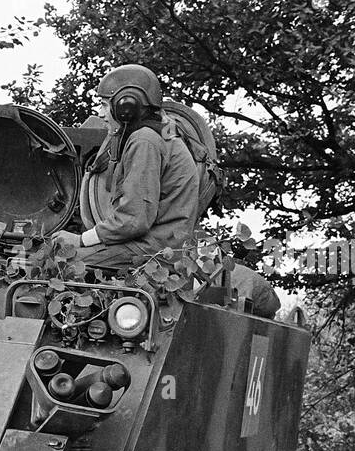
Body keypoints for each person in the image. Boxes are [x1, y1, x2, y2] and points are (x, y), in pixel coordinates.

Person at [54, 63, 278, 317]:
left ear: (127, 106)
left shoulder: (145, 141)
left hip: (151, 250)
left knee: (64, 263)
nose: (102, 113)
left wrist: (81, 239)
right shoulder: (159, 132)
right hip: (160, 246)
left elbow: (133, 220)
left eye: (105, 105)